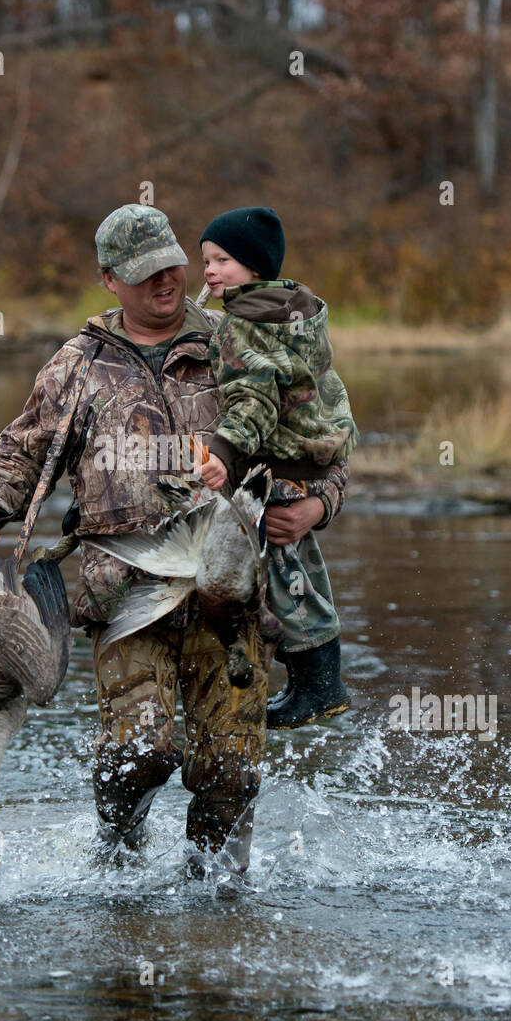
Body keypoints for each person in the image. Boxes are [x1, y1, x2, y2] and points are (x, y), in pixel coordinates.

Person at [0, 204, 349, 872]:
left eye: (171, 264)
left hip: (232, 600)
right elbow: (20, 451)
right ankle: (118, 858)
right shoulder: (77, 367)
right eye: (143, 274)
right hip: (125, 603)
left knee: (231, 770)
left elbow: (325, 444)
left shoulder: (244, 340)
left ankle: (214, 900)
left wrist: (316, 507)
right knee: (135, 753)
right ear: (110, 281)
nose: (164, 281)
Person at [199, 206, 357, 728]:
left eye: (222, 259)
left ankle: (317, 686)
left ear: (255, 266)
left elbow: (254, 401)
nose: (209, 271)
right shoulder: (299, 311)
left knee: (289, 575)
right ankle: (315, 679)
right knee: (302, 571)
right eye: (206, 261)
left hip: (282, 467)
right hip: (313, 457)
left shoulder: (242, 325)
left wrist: (222, 452)